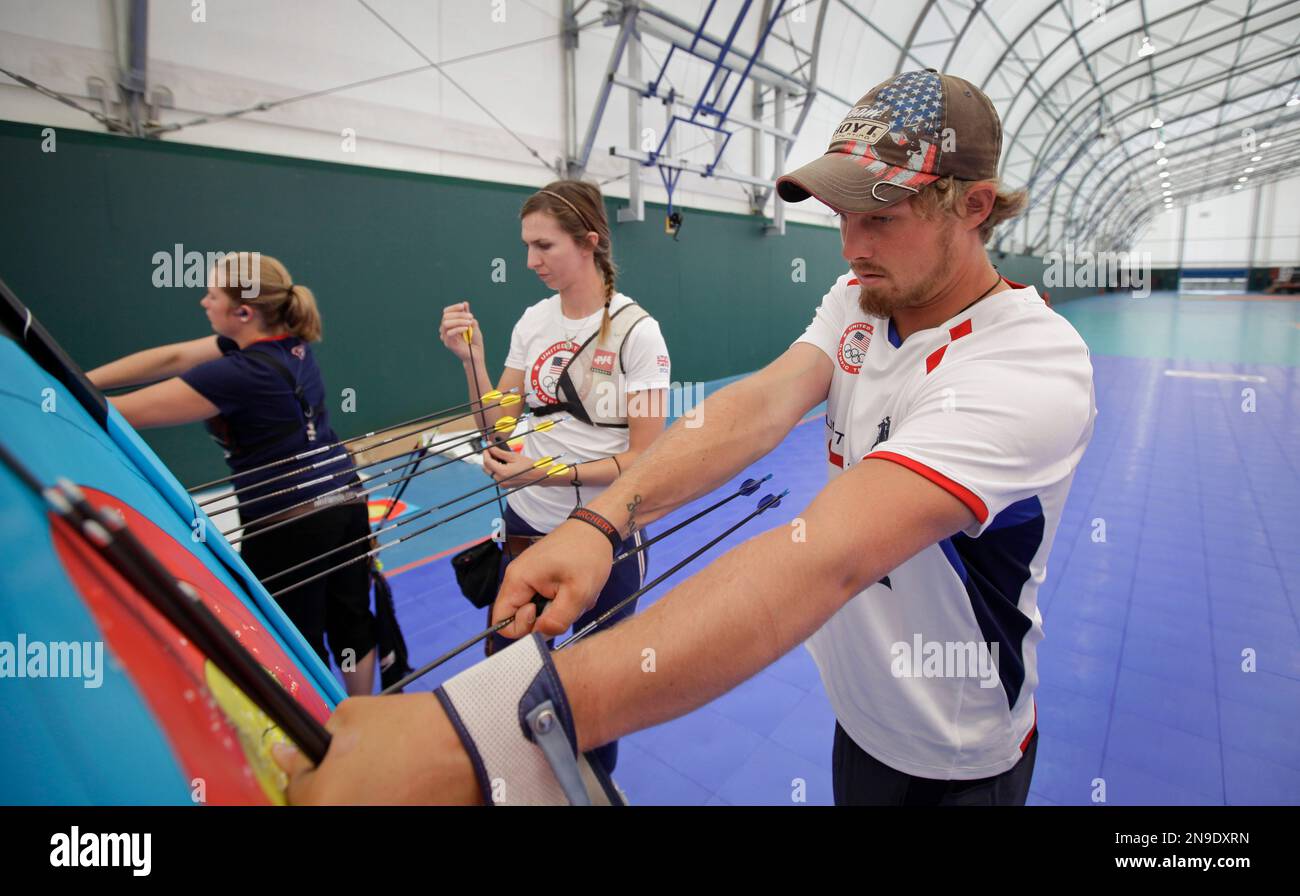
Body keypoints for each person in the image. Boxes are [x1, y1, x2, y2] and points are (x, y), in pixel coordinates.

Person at [275, 70, 1097, 806]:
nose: (850, 246)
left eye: (881, 215)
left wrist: (485, 728)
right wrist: (606, 520)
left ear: (975, 206)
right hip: (866, 723)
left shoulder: (1027, 366)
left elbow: (829, 554)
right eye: (843, 215)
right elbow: (760, 405)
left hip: (956, 757)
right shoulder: (861, 298)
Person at [436, 179, 672, 773]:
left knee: (596, 691)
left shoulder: (637, 332)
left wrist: (546, 472)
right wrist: (475, 361)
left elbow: (646, 459)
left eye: (544, 246)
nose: (531, 261)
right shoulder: (533, 321)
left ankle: (590, 784)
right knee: (507, 666)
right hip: (527, 526)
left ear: (588, 241)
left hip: (601, 535)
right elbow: (499, 420)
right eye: (526, 246)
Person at [88, 252, 379, 696]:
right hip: (346, 500)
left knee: (291, 636)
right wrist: (77, 376)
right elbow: (173, 356)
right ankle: (364, 716)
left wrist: (56, 389)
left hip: (290, 524)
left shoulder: (234, 375)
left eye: (212, 295)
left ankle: (322, 731)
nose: (204, 302)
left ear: (243, 313)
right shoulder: (289, 341)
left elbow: (119, 414)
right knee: (351, 616)